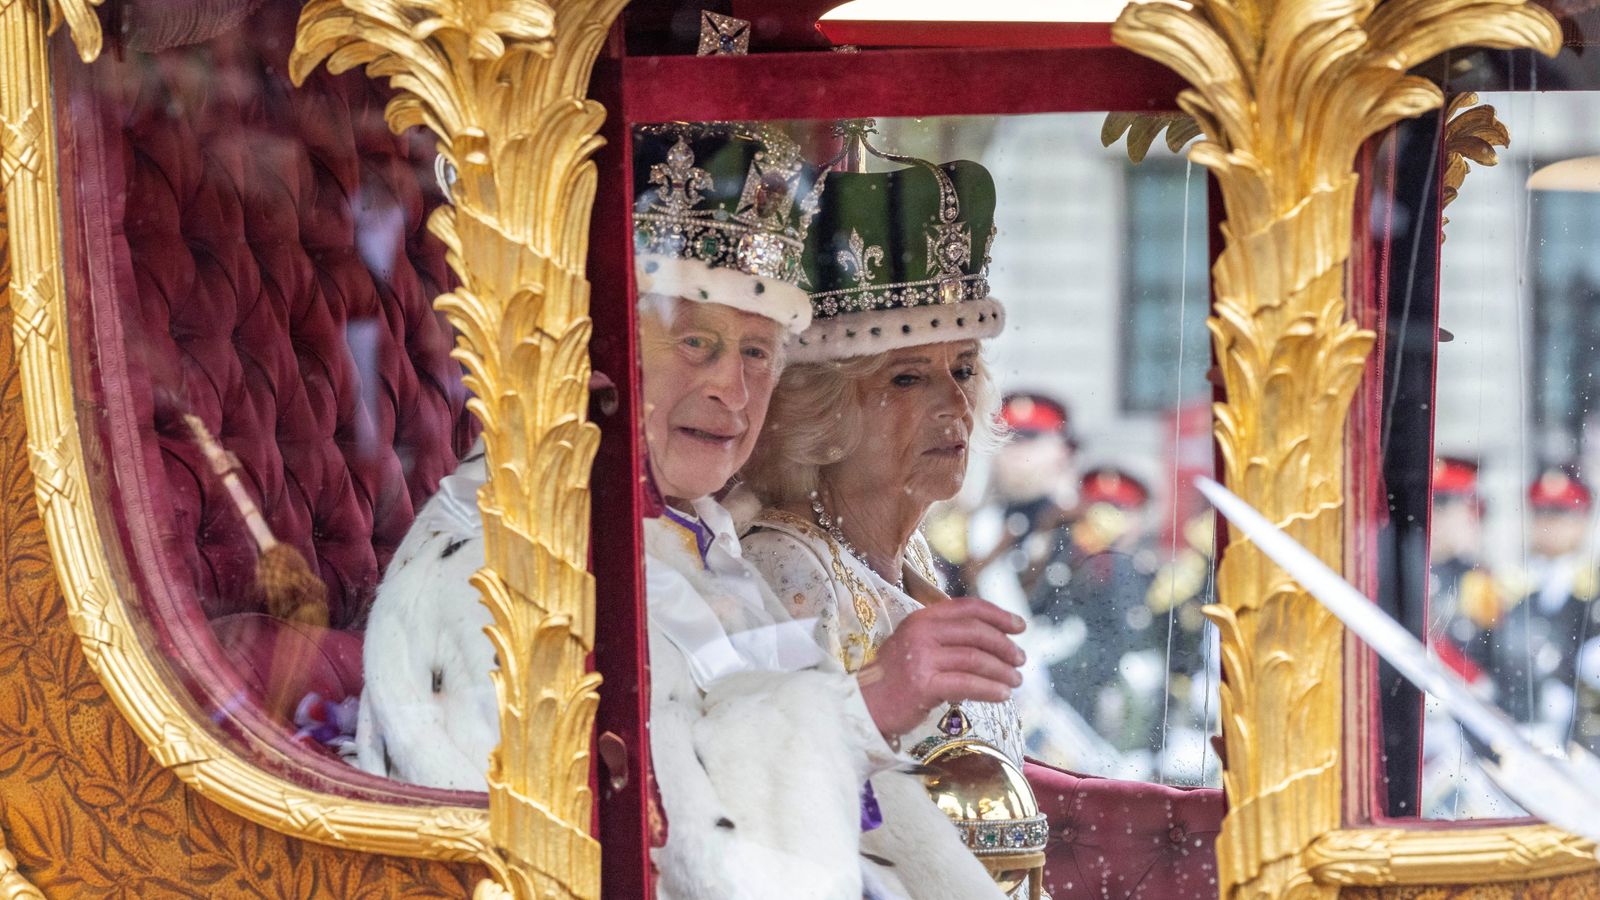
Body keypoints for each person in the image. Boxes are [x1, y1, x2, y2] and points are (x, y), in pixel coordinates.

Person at [360, 124, 1014, 899]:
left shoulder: (695, 539)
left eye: (758, 352)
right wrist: (866, 704)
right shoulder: (502, 567)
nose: (733, 396)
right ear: (597, 348)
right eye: (697, 343)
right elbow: (666, 852)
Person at [738, 145, 1045, 896]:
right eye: (907, 377)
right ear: (821, 411)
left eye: (964, 369)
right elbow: (775, 809)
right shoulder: (787, 567)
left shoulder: (912, 564)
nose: (955, 403)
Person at [1491, 465, 1600, 753]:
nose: (1550, 523)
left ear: (1584, 520)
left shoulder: (1594, 586)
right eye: (1542, 512)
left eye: (1563, 514)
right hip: (1517, 731)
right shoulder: (1505, 586)